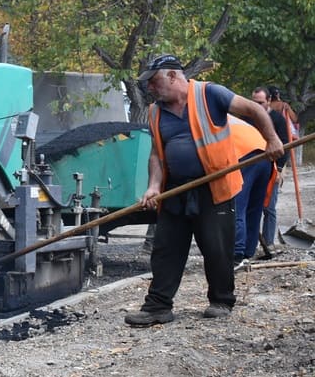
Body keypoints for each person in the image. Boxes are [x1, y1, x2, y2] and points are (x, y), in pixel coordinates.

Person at [124, 54, 283, 327]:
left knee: (217, 247)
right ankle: (158, 307)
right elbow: (157, 156)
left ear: (173, 76)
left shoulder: (210, 94)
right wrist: (152, 186)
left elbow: (255, 110)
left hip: (215, 187)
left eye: (154, 81)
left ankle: (221, 300)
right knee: (165, 249)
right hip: (175, 190)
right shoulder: (155, 112)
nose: (150, 88)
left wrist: (272, 139)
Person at [229, 116, 276, 266]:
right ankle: (248, 251)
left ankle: (237, 253)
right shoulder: (230, 117)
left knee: (237, 205)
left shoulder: (207, 120)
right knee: (254, 208)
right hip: (265, 155)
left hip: (245, 156)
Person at [251, 87, 290, 248]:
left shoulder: (277, 120)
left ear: (268, 101)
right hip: (250, 168)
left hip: (272, 167)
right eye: (254, 103)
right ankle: (250, 244)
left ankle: (269, 243)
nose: (257, 106)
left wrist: (279, 169)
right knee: (251, 207)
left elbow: (285, 145)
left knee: (269, 207)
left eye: (260, 102)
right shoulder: (247, 118)